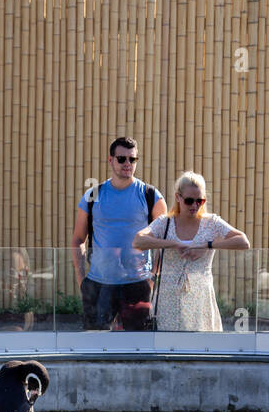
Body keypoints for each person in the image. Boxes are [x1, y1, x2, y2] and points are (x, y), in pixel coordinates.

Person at [132, 170, 248, 331]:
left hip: (201, 298)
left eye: (199, 201)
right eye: (189, 201)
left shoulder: (211, 222)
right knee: (168, 349)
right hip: (168, 299)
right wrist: (172, 244)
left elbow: (243, 241)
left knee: (203, 350)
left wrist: (207, 245)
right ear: (178, 197)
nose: (195, 206)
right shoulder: (165, 222)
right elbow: (138, 241)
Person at [72, 136, 167, 330]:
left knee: (138, 347)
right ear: (110, 160)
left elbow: (164, 239)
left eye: (132, 159)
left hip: (138, 283)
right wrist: (81, 278)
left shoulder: (150, 195)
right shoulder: (93, 195)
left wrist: (152, 277)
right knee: (94, 344)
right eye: (121, 159)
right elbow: (78, 238)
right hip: (99, 284)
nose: (127, 164)